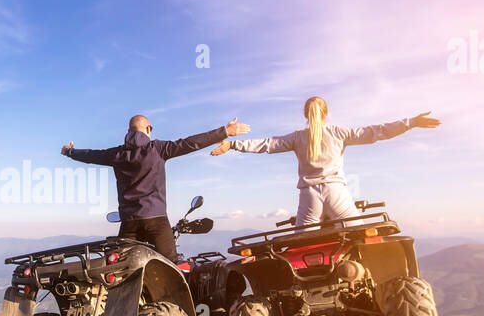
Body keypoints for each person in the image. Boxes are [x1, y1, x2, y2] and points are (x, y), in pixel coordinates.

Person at [210, 96, 439, 228]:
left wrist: (232, 144)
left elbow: (267, 144)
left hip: (309, 196)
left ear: (304, 115)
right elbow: (376, 132)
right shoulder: (339, 133)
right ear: (326, 113)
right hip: (336, 193)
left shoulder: (298, 137)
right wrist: (410, 122)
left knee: (302, 246)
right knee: (358, 239)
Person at [62, 114, 249, 261]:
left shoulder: (117, 154)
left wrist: (70, 151)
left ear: (128, 131)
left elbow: (92, 155)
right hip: (156, 222)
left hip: (129, 224)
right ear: (148, 129)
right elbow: (190, 143)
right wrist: (224, 132)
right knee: (171, 272)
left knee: (123, 273)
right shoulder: (158, 149)